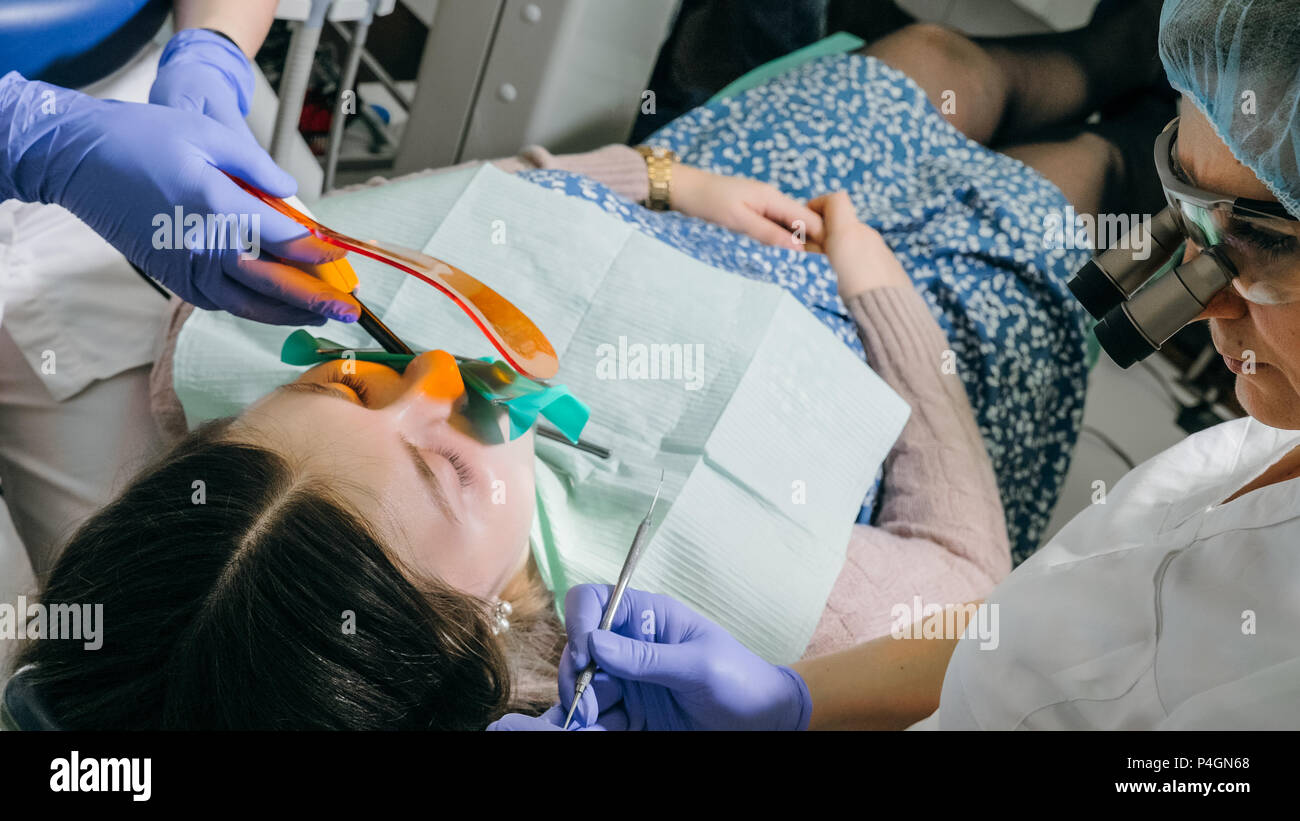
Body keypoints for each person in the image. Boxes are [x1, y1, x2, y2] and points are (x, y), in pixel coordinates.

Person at [499, 0, 1300, 731]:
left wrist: (667, 180)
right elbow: (1022, 621)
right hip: (890, 308)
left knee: (959, 93)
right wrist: (797, 701)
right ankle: (1127, 120)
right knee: (1042, 175)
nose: (1196, 306)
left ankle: (1120, 109)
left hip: (816, 259)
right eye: (1186, 219)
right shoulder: (1241, 457)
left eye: (1260, 243)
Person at [0, 1, 359, 593]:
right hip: (81, 137)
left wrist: (213, 49)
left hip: (136, 111)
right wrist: (33, 134)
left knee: (126, 586)